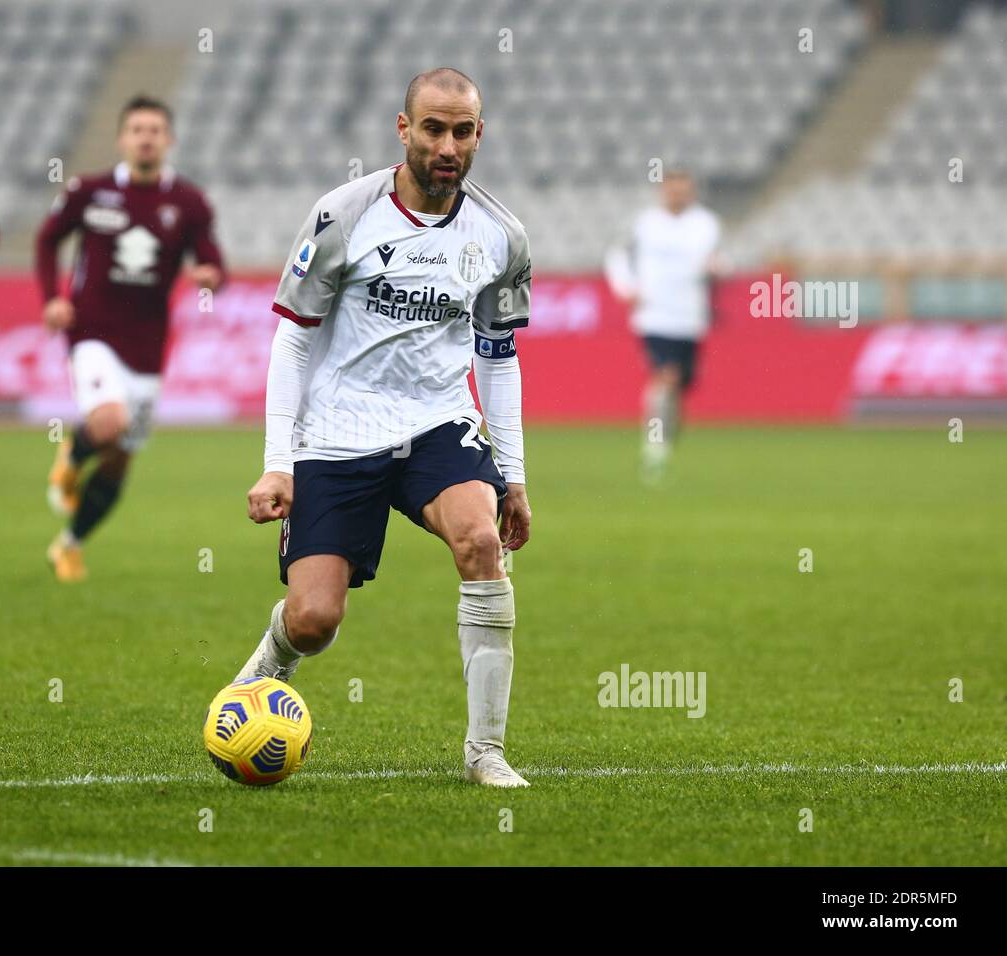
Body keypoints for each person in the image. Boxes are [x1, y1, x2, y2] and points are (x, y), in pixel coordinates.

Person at [238, 68, 533, 788]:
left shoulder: (500, 236)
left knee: (480, 541)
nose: (447, 145)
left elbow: (497, 355)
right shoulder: (344, 215)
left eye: (462, 131)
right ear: (403, 130)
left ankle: (485, 752)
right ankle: (267, 670)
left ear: (479, 136)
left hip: (437, 421)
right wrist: (279, 462)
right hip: (339, 430)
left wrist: (514, 474)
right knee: (314, 620)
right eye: (433, 128)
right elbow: (294, 339)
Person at [35, 96, 224, 582]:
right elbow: (47, 238)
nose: (145, 137)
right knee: (109, 422)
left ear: (169, 139)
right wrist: (50, 298)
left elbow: (212, 260)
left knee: (119, 461)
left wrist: (209, 274)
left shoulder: (187, 202)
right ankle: (71, 457)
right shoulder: (90, 192)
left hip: (147, 347)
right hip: (92, 331)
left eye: (155, 130)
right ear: (122, 138)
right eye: (137, 129)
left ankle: (69, 545)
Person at [605, 168, 723, 483]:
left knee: (679, 389)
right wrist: (626, 288)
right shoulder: (644, 223)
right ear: (663, 190)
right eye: (672, 188)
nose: (677, 194)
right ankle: (653, 450)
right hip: (655, 316)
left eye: (683, 189)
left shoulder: (705, 224)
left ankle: (664, 445)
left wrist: (717, 268)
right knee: (666, 379)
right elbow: (617, 256)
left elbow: (717, 261)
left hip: (690, 319)